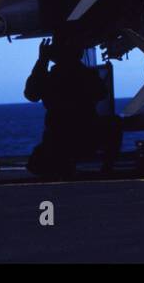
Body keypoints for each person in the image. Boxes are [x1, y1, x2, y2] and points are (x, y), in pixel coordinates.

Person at [24, 37, 121, 178]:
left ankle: (63, 166)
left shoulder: (49, 78)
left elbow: (31, 94)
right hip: (87, 137)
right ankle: (107, 169)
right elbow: (101, 93)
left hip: (57, 140)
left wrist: (42, 60)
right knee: (115, 123)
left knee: (38, 164)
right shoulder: (87, 75)